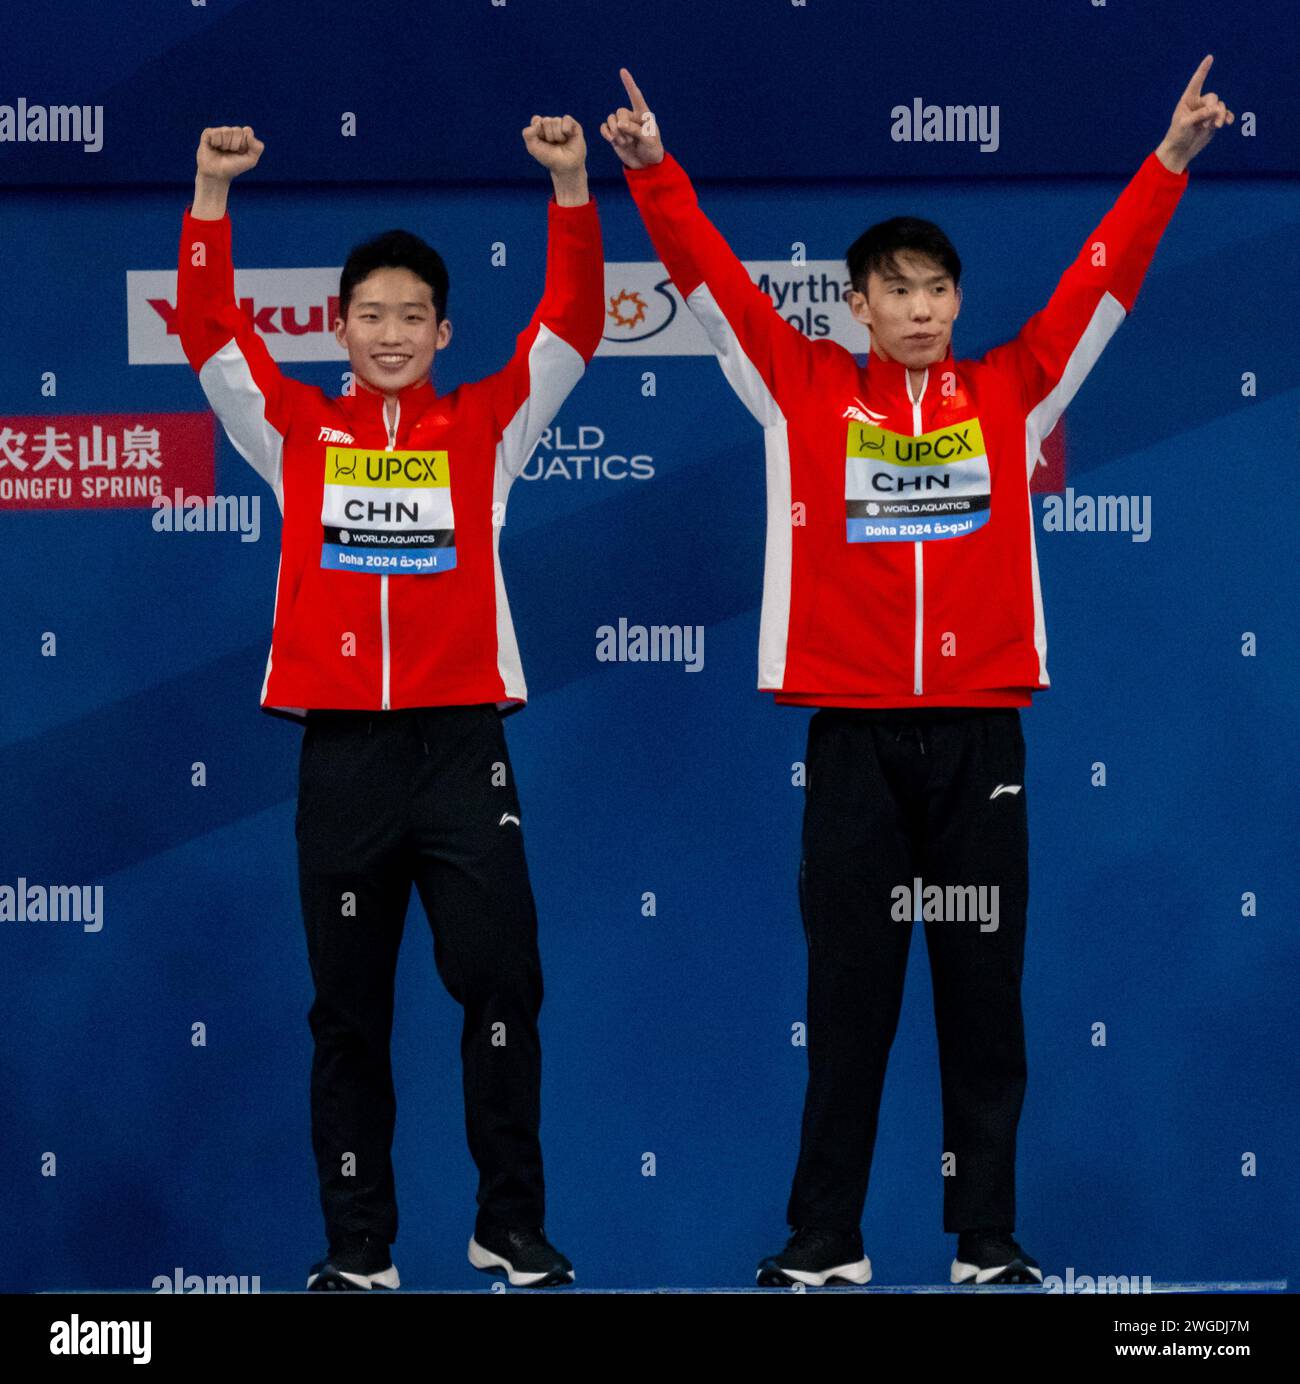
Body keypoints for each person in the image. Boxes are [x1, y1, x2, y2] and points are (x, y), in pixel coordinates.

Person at [601, 59, 1232, 1287]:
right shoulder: (801, 391)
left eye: (938, 289)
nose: (922, 309)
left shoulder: (1013, 392)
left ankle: (983, 1239)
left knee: (979, 998)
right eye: (897, 292)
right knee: (849, 1001)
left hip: (979, 742)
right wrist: (648, 171)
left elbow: (1098, 290)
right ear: (855, 305)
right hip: (853, 743)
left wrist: (1166, 164)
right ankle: (825, 1238)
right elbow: (714, 288)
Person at [176, 116, 604, 1289]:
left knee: (502, 981)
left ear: (443, 332)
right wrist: (211, 194)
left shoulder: (485, 430)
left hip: (462, 749)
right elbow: (210, 331)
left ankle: (506, 1220)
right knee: (349, 1012)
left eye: (414, 316)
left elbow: (571, 324)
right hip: (343, 759)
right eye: (371, 314)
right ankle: (359, 1247)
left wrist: (571, 184)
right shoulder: (295, 432)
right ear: (339, 328)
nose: (393, 333)